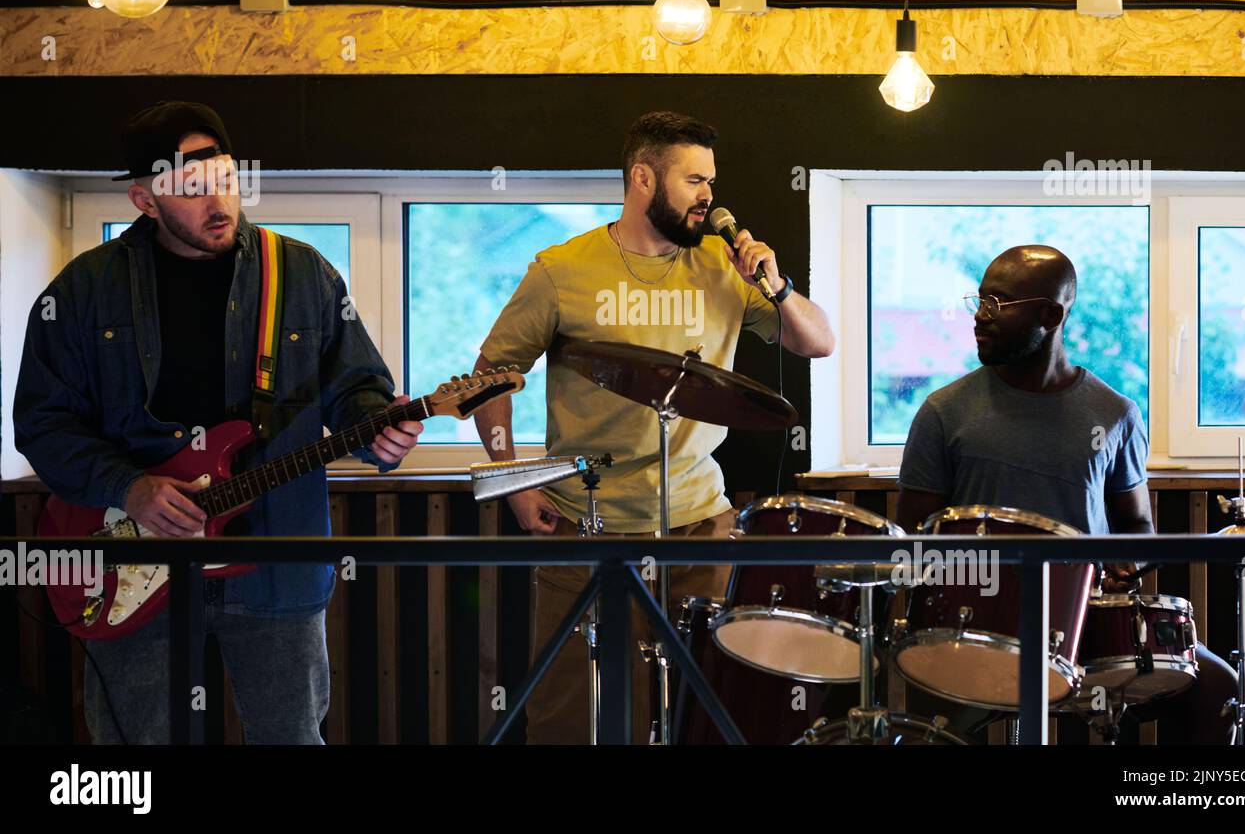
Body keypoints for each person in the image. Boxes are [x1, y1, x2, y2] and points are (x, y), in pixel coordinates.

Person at [14, 100, 422, 744]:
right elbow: (41, 423)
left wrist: (381, 428)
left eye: (228, 181)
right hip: (129, 563)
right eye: (194, 189)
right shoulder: (82, 291)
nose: (220, 203)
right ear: (145, 200)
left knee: (290, 739)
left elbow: (359, 389)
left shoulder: (304, 274)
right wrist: (129, 488)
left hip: (275, 559)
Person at [471, 111, 835, 743]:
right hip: (584, 528)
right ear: (643, 178)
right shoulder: (562, 269)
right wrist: (511, 481)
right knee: (568, 716)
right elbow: (490, 378)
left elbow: (818, 343)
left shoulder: (725, 269)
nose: (709, 196)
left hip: (700, 527)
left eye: (711, 181)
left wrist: (776, 289)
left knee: (708, 712)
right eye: (694, 180)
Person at [896, 244, 1237, 743]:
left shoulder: (1114, 412)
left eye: (997, 303)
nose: (979, 318)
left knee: (1216, 688)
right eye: (979, 301)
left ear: (1050, 315)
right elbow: (913, 535)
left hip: (1086, 628)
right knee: (936, 728)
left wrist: (1130, 560)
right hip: (977, 629)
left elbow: (1138, 526)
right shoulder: (944, 411)